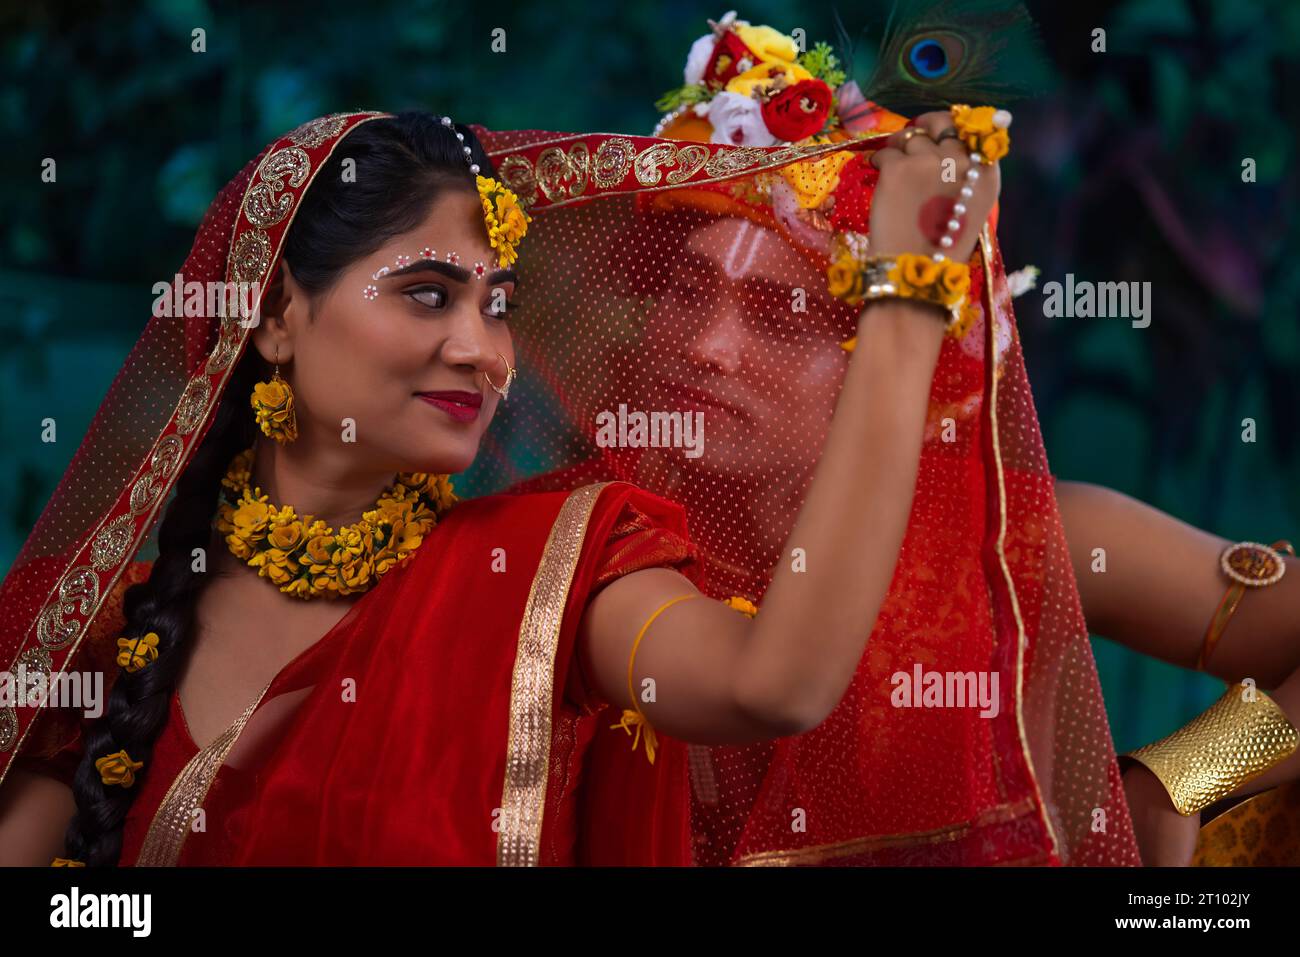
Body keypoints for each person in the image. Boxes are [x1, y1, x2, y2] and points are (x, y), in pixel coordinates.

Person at [0, 101, 1007, 866]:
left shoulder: (555, 567)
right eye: (429, 295)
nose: (482, 352)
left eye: (500, 304)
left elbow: (771, 684)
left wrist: (906, 297)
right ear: (273, 315)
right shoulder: (92, 626)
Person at [475, 14, 1300, 865]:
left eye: (780, 315)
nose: (707, 347)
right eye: (687, 288)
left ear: (900, 364)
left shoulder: (1012, 542)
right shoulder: (574, 544)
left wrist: (1185, 776)